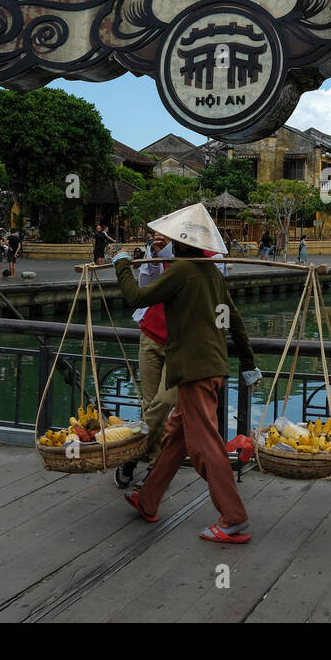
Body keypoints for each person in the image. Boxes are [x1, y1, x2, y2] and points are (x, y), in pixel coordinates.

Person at [113, 203, 262, 542]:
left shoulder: (181, 270)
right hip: (211, 367)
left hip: (194, 370)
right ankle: (148, 499)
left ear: (179, 241)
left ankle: (233, 517)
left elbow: (136, 296)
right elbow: (234, 321)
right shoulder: (211, 271)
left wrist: (121, 265)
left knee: (203, 447)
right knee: (175, 439)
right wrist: (248, 363)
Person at [115, 229, 177, 489]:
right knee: (150, 403)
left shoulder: (209, 259)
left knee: (163, 403)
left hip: (181, 342)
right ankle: (155, 468)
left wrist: (165, 254)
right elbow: (145, 289)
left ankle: (131, 453)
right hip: (151, 334)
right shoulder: (158, 255)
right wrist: (155, 256)